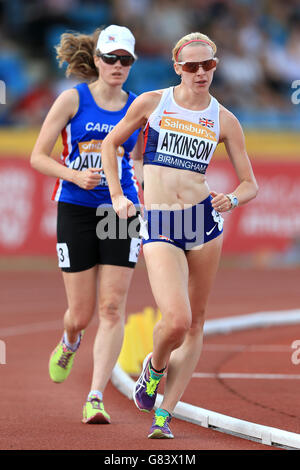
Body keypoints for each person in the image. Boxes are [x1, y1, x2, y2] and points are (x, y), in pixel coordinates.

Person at [101, 31, 258, 439]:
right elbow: (111, 143)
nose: (201, 72)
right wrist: (118, 196)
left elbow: (249, 183)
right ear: (178, 68)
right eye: (192, 66)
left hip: (203, 223)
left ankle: (164, 414)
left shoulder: (224, 119)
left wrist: (233, 200)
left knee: (196, 322)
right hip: (161, 223)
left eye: (209, 65)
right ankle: (154, 370)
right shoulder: (153, 102)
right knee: (176, 320)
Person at [30, 24, 143, 424]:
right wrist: (75, 175)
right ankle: (69, 341)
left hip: (121, 212)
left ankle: (95, 396)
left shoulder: (137, 107)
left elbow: (141, 159)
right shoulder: (72, 99)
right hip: (76, 207)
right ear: (96, 60)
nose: (116, 65)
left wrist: (140, 185)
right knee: (80, 314)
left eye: (124, 59)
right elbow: (37, 157)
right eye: (110, 58)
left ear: (131, 63)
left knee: (112, 306)